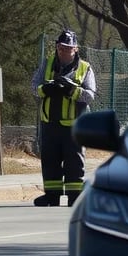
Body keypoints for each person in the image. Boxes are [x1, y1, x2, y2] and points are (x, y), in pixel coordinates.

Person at [31, 29, 96, 207]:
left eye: (67, 48)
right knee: (50, 160)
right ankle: (52, 195)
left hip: (74, 126)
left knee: (74, 162)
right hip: (50, 123)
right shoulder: (47, 64)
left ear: (75, 49)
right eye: (60, 47)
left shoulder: (85, 68)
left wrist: (72, 90)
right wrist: (47, 89)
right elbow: (34, 86)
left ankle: (75, 196)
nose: (63, 51)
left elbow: (90, 95)